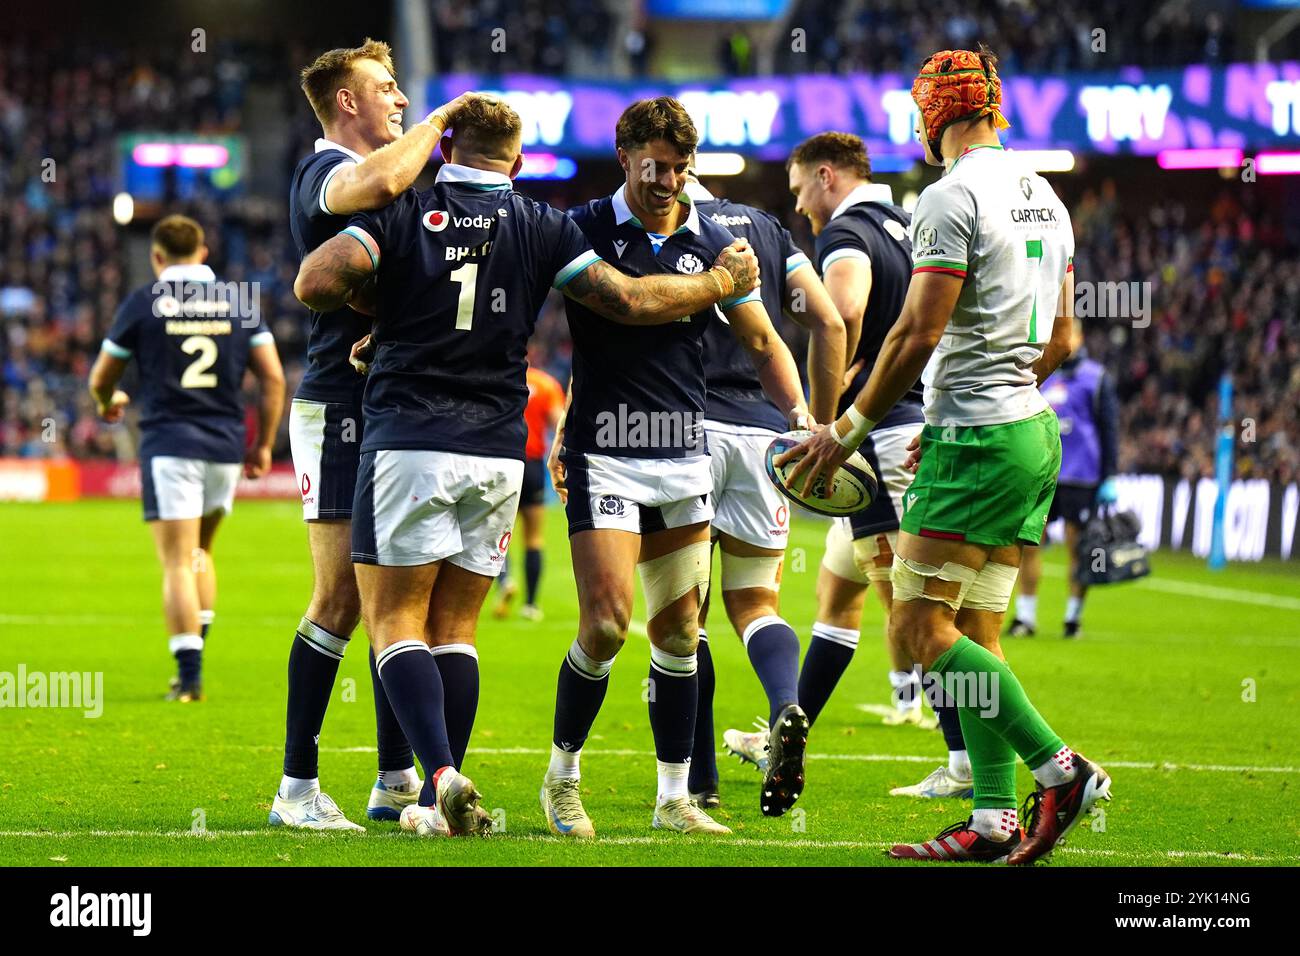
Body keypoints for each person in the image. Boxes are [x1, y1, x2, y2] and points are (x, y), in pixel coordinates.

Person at [295, 94, 762, 837]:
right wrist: (716, 286)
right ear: (515, 162)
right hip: (496, 450)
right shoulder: (543, 224)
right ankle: (429, 803)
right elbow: (630, 300)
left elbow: (315, 282)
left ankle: (439, 776)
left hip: (409, 437)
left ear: (446, 153)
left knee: (393, 624)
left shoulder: (407, 211)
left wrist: (388, 315)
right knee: (457, 631)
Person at [779, 48, 1110, 864]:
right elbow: (1064, 338)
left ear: (937, 113)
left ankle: (1060, 773)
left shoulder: (948, 196)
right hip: (1031, 433)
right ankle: (993, 818)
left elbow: (916, 332)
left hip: (976, 439)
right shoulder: (1048, 198)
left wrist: (843, 431)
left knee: (921, 627)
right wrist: (990, 397)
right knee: (978, 631)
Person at [542, 96, 807, 838]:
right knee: (605, 623)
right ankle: (562, 779)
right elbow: (626, 306)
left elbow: (763, 344)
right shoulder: (581, 229)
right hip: (604, 451)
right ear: (624, 156)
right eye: (654, 165)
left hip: (685, 453)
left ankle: (675, 797)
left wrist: (803, 418)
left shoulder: (716, 237)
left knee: (681, 635)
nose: (667, 180)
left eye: (680, 167)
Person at [274, 37, 475, 831]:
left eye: (402, 90)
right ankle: (295, 788)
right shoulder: (325, 172)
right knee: (338, 601)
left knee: (395, 597)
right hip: (338, 406)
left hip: (388, 402)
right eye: (386, 88)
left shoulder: (375, 184)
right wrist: (440, 120)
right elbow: (388, 174)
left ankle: (395, 779)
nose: (398, 100)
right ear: (347, 103)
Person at [682, 164, 846, 814]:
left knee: (683, 617)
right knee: (756, 605)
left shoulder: (656, 226)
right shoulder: (768, 228)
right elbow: (828, 322)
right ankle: (783, 706)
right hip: (762, 431)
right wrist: (818, 424)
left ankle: (697, 781)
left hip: (683, 427)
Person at [88, 214, 284, 703]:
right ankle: (195, 657)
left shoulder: (144, 301)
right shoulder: (239, 301)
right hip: (224, 445)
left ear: (157, 258)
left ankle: (189, 676)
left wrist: (107, 402)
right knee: (200, 553)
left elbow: (101, 376)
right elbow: (274, 379)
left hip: (170, 442)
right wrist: (262, 445)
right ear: (202, 254)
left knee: (176, 559)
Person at [1008, 322, 1119, 638]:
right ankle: (1025, 617)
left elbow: (1108, 430)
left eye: (1072, 332)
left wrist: (1109, 476)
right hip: (1042, 471)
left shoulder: (1096, 379)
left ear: (1081, 337)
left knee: (1078, 549)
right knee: (1029, 545)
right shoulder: (1039, 373)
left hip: (1081, 477)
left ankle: (1073, 619)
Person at [494, 359, 566, 622]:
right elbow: (559, 424)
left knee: (498, 536)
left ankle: (505, 582)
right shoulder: (545, 384)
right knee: (534, 538)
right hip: (533, 467)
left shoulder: (501, 380)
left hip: (505, 462)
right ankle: (531, 605)